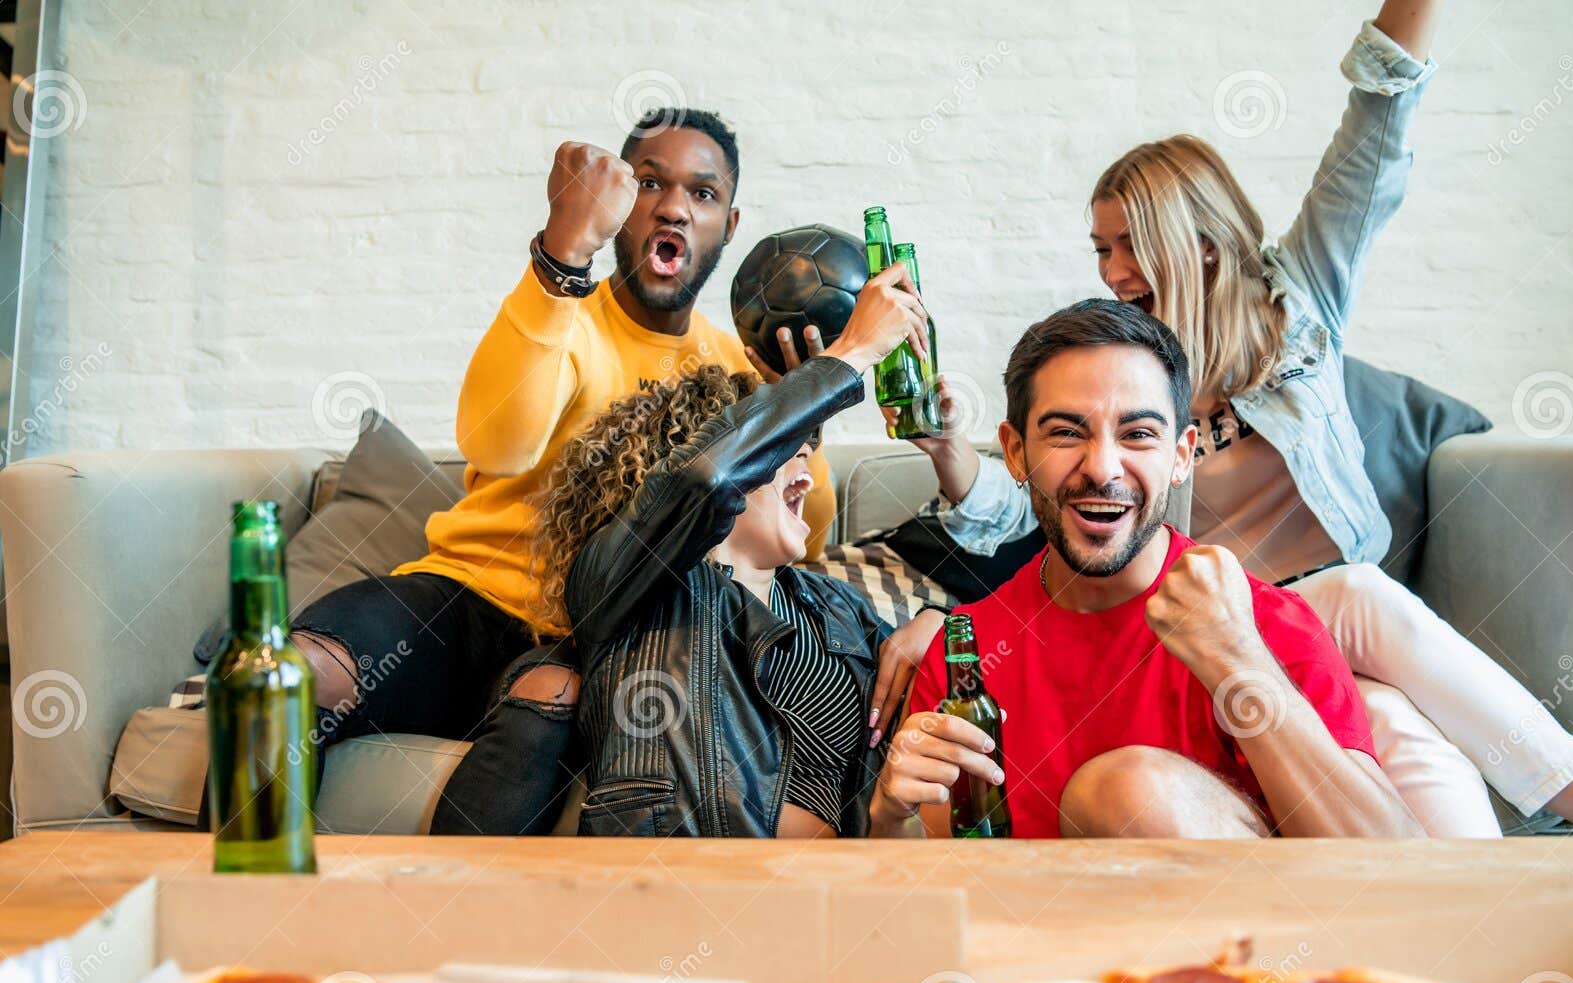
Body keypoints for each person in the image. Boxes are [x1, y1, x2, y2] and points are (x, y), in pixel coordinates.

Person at [897, 2, 1573, 837]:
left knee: (1365, 600)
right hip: (1208, 617)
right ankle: (1504, 880)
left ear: (1195, 239)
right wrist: (946, 461)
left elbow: (1373, 139)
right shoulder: (1132, 381)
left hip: (1299, 614)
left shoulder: (1296, 303)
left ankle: (1569, 821)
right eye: (1100, 249)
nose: (1113, 271)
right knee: (1401, 730)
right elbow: (1040, 512)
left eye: (1130, 243)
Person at [287, 107, 847, 836]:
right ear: (617, 203)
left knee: (549, 697)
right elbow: (498, 442)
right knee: (295, 672)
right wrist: (561, 254)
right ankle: (233, 909)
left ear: (729, 226)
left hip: (595, 634)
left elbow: (803, 533)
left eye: (701, 194)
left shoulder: (737, 368)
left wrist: (801, 407)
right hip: (463, 599)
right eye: (650, 183)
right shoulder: (562, 309)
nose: (674, 205)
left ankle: (458, 936)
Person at [875, 299, 1421, 840]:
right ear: (1015, 453)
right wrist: (888, 815)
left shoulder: (1266, 624)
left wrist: (1239, 660)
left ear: (1181, 456)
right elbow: (933, 892)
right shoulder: (964, 658)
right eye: (1067, 432)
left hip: (1248, 927)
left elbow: (1391, 872)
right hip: (1042, 927)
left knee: (1127, 791)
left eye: (1137, 434)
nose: (1102, 468)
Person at [541, 265, 928, 837]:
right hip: (693, 894)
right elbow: (705, 477)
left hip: (840, 900)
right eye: (787, 450)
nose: (807, 464)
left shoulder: (835, 609)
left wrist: (940, 624)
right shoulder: (632, 585)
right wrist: (853, 352)